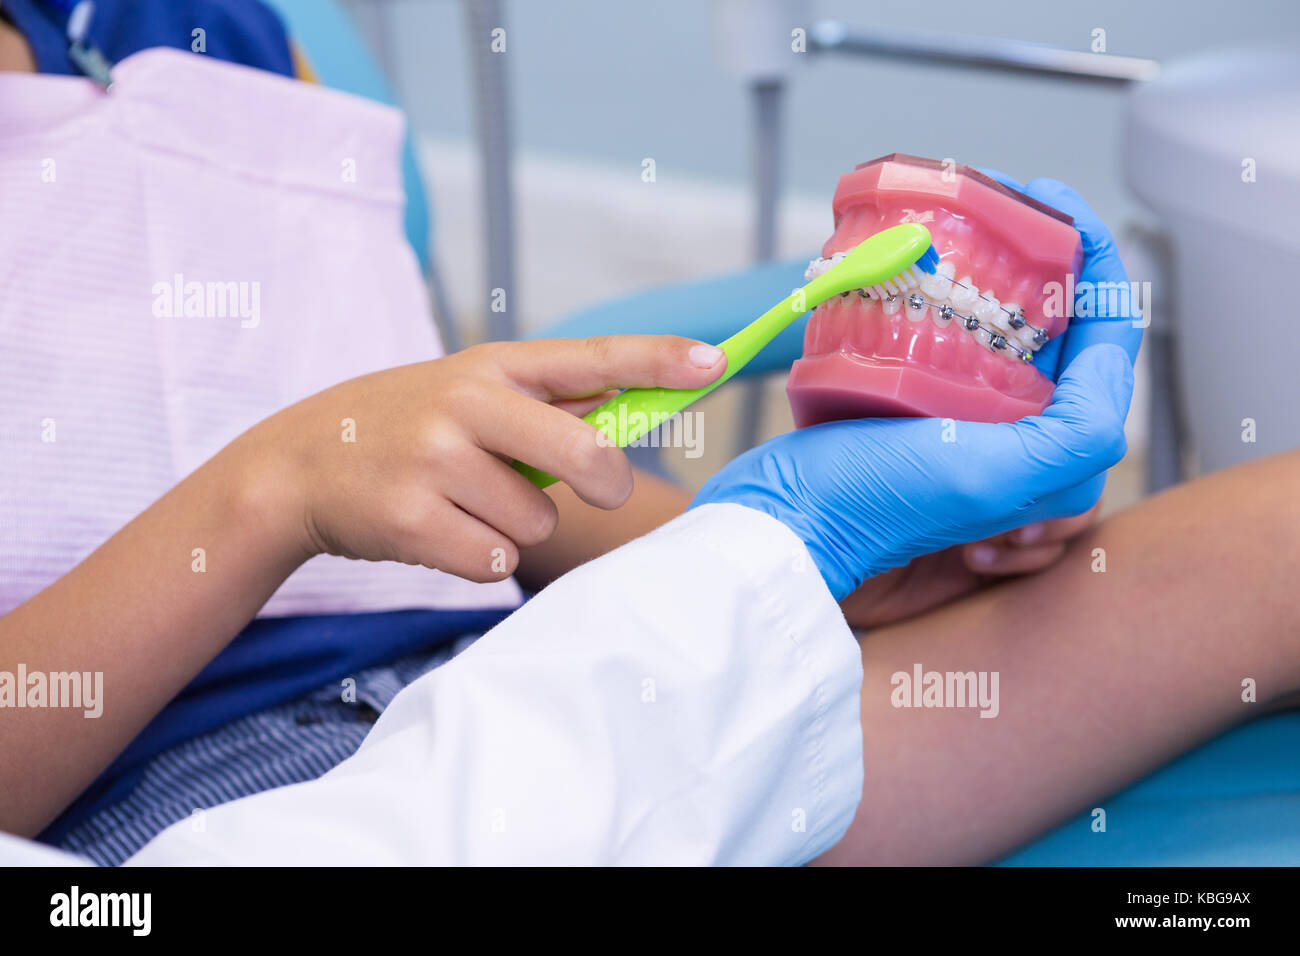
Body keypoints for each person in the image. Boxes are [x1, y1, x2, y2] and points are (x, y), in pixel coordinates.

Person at [1, 4, 1295, 865]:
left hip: (546, 665)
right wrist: (271, 490)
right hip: (220, 808)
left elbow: (429, 478)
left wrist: (814, 570)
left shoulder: (204, 25)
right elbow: (304, 471)